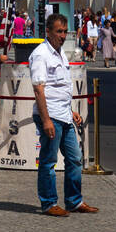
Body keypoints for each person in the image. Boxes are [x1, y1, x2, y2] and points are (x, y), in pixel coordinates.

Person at [29, 12, 98, 217]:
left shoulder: (59, 53)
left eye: (64, 32)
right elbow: (39, 89)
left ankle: (74, 201)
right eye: (58, 31)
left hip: (63, 114)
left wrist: (71, 111)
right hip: (50, 116)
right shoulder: (41, 54)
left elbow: (59, 88)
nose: (62, 35)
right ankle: (49, 203)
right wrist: (46, 119)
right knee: (49, 161)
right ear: (48, 32)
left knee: (75, 158)